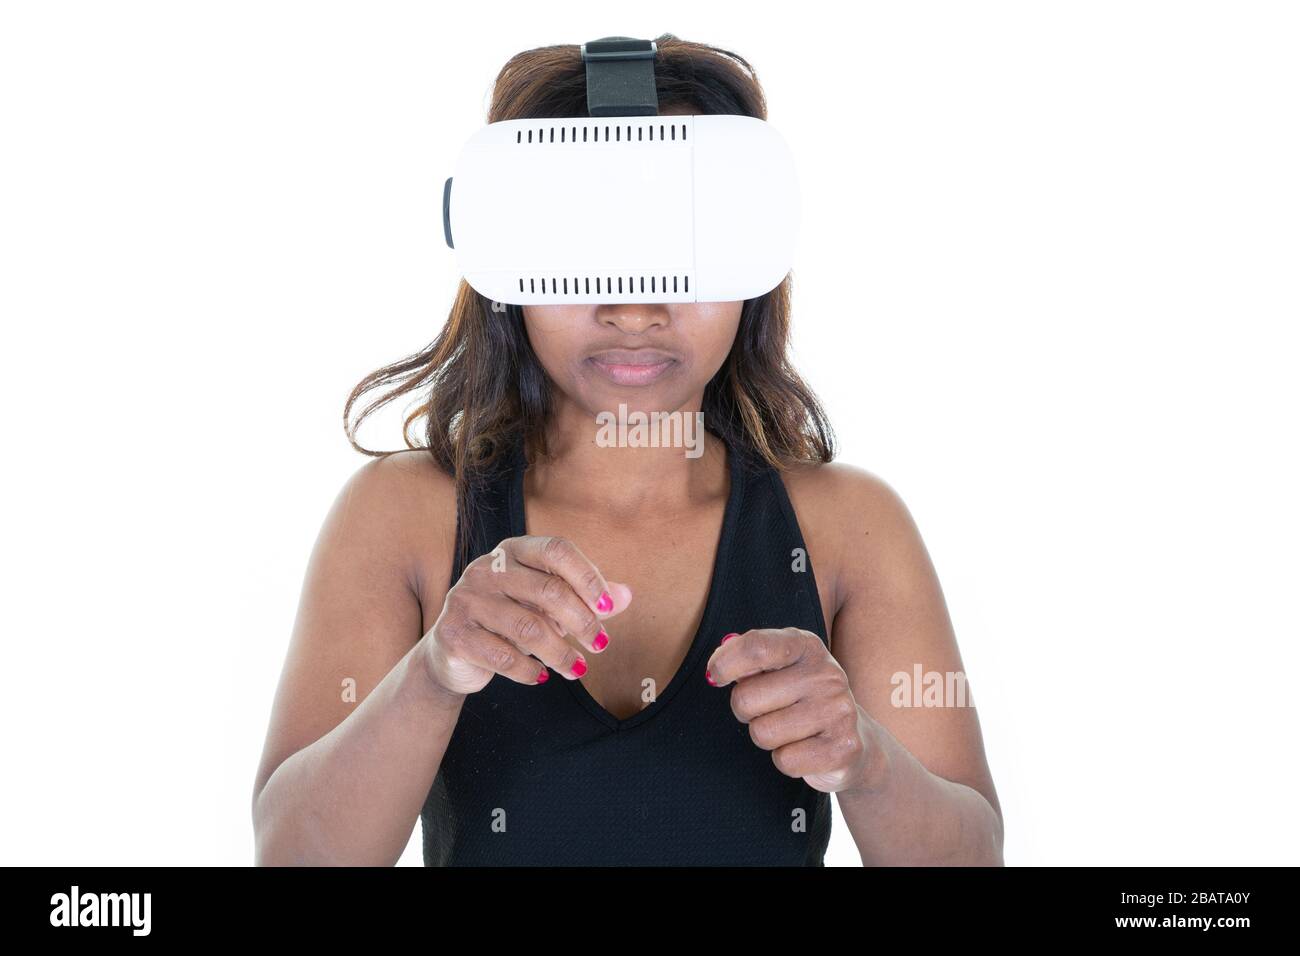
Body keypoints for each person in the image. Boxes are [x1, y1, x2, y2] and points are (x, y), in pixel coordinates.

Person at [251, 36, 1003, 866]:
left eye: (680, 252)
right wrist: (435, 673)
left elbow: (974, 855)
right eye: (586, 253)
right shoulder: (402, 515)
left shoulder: (851, 529)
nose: (634, 308)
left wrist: (867, 760)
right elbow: (294, 854)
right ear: (509, 265)